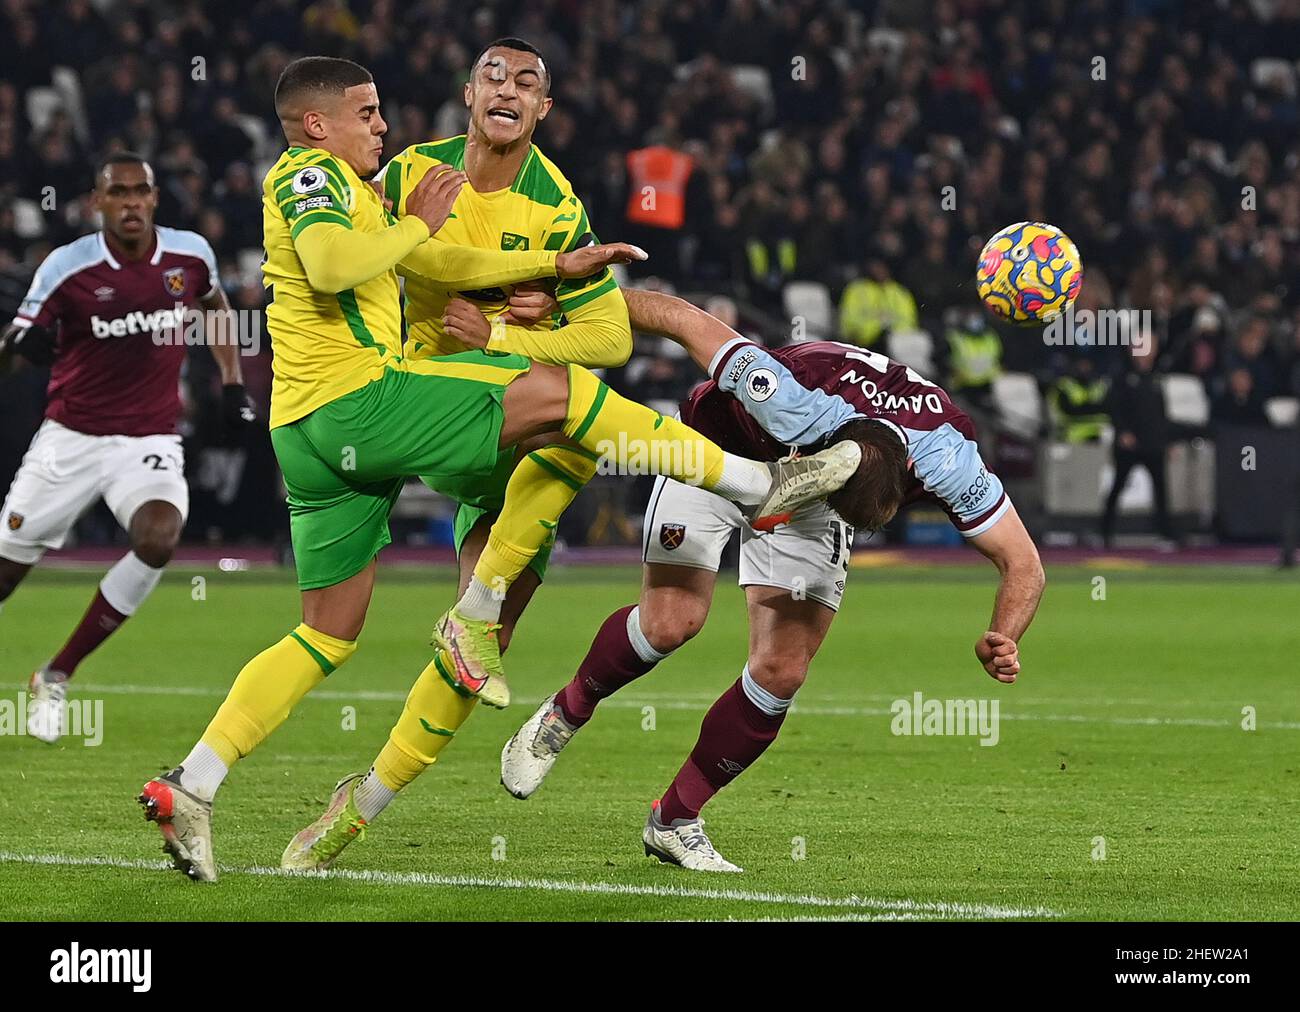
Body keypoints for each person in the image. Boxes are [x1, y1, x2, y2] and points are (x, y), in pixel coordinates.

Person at [138, 56, 857, 882]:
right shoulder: (380, 173)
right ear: (472, 96)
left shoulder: (551, 203)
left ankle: (255, 790)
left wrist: (544, 281)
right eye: (492, 75)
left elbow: (602, 334)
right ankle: (758, 484)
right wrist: (431, 249)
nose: (381, 125)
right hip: (382, 403)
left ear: (544, 107)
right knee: (569, 402)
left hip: (363, 431)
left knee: (331, 631)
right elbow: (352, 262)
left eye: (527, 81)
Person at [500, 291, 1046, 871]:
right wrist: (564, 307)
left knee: (782, 670)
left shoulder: (946, 456)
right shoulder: (787, 394)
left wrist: (1004, 633)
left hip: (819, 499)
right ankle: (566, 712)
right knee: (670, 624)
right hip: (718, 451)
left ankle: (675, 818)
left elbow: (1024, 564)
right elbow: (681, 318)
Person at [0, 152, 254, 742]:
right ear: (98, 203)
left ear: (155, 198)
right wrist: (19, 348)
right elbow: (18, 339)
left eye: (142, 192)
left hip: (148, 439)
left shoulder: (190, 255)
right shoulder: (67, 266)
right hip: (69, 441)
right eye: (119, 193)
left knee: (159, 536)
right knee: (6, 576)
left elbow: (215, 306)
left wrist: (233, 381)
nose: (132, 203)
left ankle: (57, 674)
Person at [1100, 341, 1176, 545]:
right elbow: (1114, 407)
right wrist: (1123, 431)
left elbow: (1161, 413)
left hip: (1153, 442)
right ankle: (1105, 531)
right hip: (1130, 444)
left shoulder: (1156, 377)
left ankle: (1165, 532)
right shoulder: (1122, 377)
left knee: (1161, 489)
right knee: (1118, 485)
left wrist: (1166, 441)